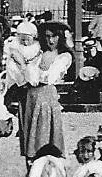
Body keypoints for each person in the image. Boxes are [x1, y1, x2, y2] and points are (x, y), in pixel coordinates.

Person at [14, 22, 71, 168]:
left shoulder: (64, 56)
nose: (50, 40)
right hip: (30, 98)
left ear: (60, 37)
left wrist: (24, 66)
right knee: (29, 139)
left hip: (46, 98)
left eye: (54, 36)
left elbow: (47, 78)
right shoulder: (38, 53)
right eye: (47, 36)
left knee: (44, 138)